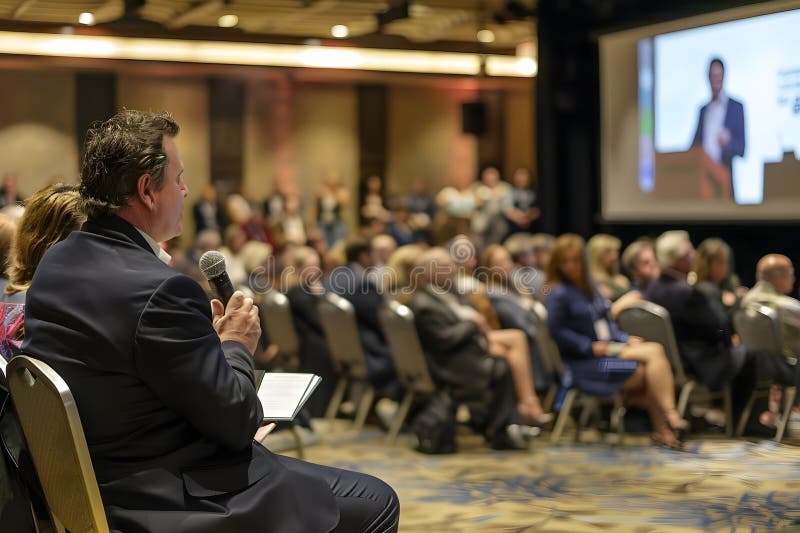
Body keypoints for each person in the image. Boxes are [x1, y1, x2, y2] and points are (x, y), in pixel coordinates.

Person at [20, 110, 399, 533]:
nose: (185, 190)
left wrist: (207, 352)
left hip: (100, 481)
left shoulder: (58, 261)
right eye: (179, 179)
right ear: (147, 190)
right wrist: (235, 344)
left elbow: (130, 379)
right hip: (169, 499)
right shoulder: (162, 290)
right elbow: (238, 424)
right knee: (378, 500)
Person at [545, 234, 688, 448]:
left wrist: (624, 339)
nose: (571, 266)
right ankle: (669, 417)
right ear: (558, 263)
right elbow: (557, 332)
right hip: (588, 364)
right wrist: (588, 347)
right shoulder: (558, 293)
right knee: (653, 354)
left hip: (608, 355)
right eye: (565, 261)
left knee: (648, 367)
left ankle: (664, 429)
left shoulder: (589, 290)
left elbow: (605, 323)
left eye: (575, 260)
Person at [410, 247, 542, 449]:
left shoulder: (446, 292)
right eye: (445, 266)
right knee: (503, 365)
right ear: (429, 272)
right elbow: (444, 339)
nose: (452, 269)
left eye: (451, 265)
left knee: (508, 353)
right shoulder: (425, 303)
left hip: (464, 354)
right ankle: (506, 425)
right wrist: (474, 325)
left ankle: (509, 423)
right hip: (449, 365)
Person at [644, 230, 759, 418]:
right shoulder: (687, 293)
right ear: (678, 259)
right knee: (750, 355)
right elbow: (717, 328)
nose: (695, 257)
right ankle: (742, 421)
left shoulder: (652, 288)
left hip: (671, 359)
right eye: (690, 253)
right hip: (696, 361)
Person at [740, 254, 800, 425]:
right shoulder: (785, 306)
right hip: (785, 368)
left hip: (753, 365)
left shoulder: (747, 301)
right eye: (791, 273)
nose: (793, 278)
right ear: (779, 275)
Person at [691, 57, 746, 197]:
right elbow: (694, 146)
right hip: (701, 181)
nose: (715, 79)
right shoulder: (703, 110)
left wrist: (728, 142)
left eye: (718, 76)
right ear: (708, 78)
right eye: (712, 76)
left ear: (724, 76)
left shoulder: (736, 108)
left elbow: (742, 148)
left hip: (723, 181)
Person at [694, 237, 744, 316]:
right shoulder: (704, 288)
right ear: (705, 264)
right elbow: (719, 321)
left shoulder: (731, 283)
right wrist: (737, 300)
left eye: (726, 262)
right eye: (720, 262)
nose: (725, 267)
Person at [587, 234, 631, 301]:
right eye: (608, 252)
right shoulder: (591, 282)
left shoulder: (621, 279)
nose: (615, 257)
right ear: (597, 255)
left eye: (616, 251)